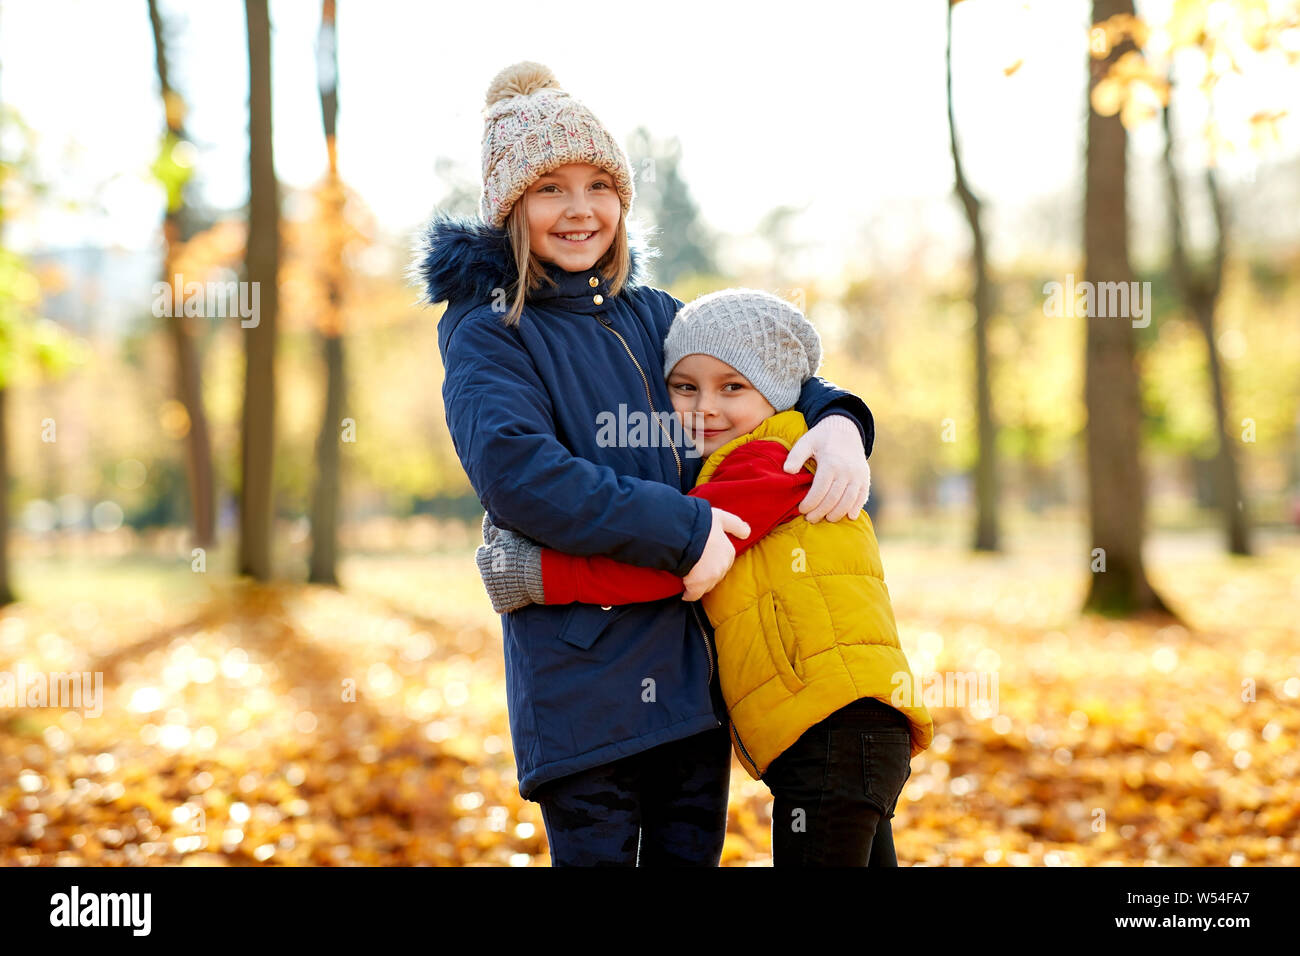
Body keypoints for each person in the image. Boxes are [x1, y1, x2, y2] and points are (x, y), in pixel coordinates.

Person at [413, 62, 876, 866]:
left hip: (693, 687)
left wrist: (840, 421)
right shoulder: (490, 328)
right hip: (583, 689)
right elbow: (519, 472)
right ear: (510, 206)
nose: (581, 208)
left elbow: (771, 372)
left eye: (600, 183)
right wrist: (687, 526)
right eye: (551, 187)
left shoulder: (652, 313)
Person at [478, 289, 933, 866]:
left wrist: (540, 573)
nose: (704, 408)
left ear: (775, 390)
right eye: (685, 387)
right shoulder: (751, 455)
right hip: (847, 728)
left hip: (835, 728)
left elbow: (667, 565)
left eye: (732, 387)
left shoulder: (772, 462)